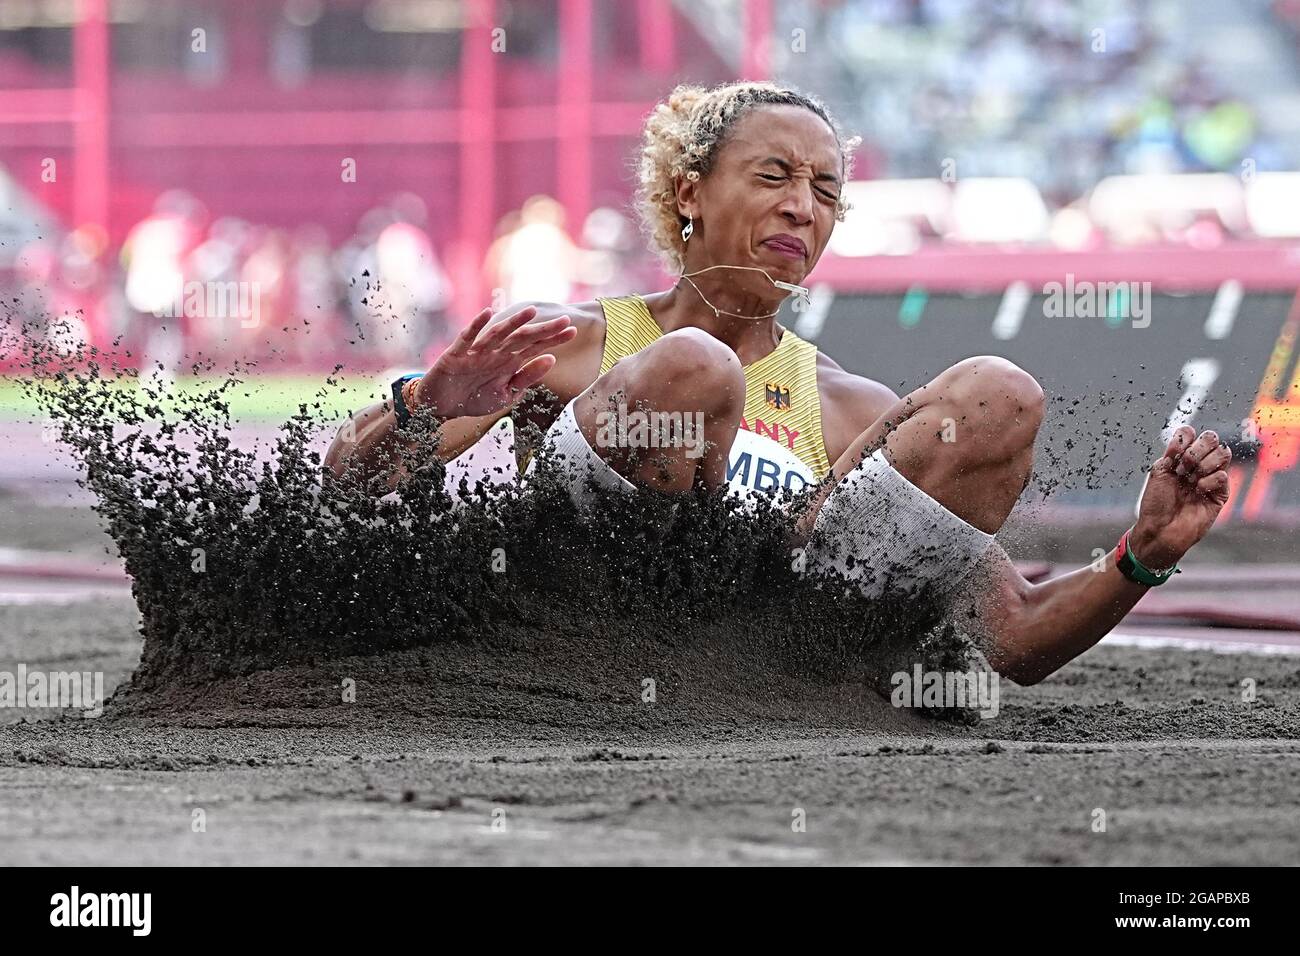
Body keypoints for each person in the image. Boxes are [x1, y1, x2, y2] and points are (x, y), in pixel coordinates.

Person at [325, 81, 1231, 686]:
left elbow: (1016, 638)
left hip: (756, 668)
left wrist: (1144, 553)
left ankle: (767, 672)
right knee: (693, 369)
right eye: (775, 176)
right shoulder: (568, 345)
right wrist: (424, 407)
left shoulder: (854, 412)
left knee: (998, 393)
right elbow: (344, 487)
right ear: (689, 193)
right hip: (573, 647)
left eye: (828, 190)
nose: (804, 205)